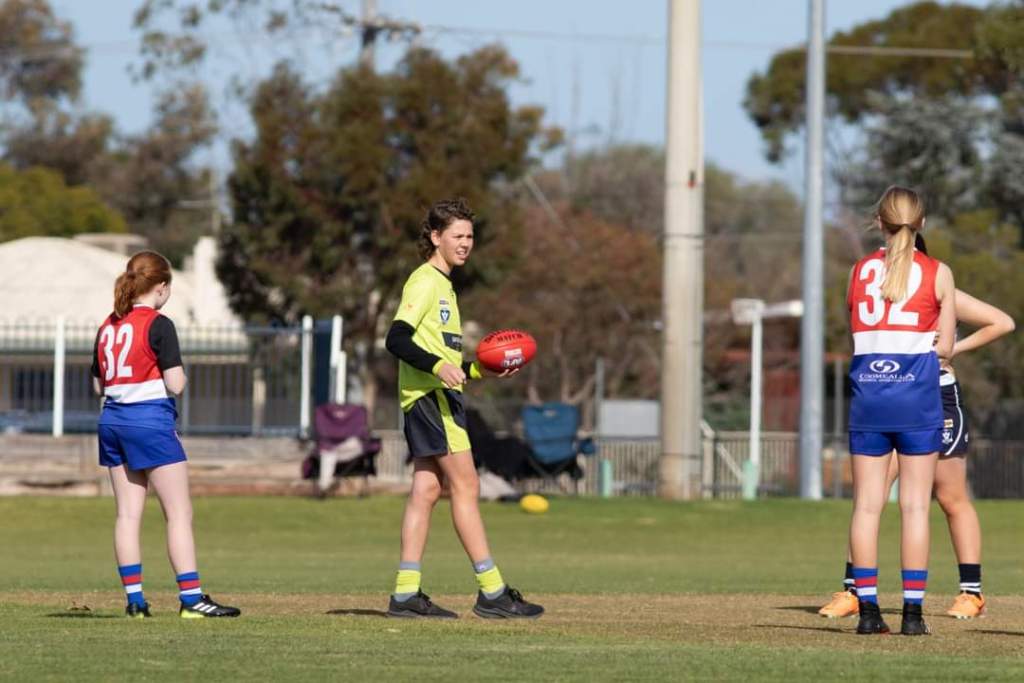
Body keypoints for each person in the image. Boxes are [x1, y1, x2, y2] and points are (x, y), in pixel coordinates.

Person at [820, 252, 1014, 621]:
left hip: (936, 396)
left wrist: (952, 349)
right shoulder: (875, 285)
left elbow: (1001, 322)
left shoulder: (938, 282)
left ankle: (971, 592)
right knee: (870, 498)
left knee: (951, 495)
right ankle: (854, 591)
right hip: (892, 395)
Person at [383, 198, 543, 619]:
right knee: (468, 487)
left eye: (470, 236)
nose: (466, 243)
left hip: (431, 396)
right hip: (431, 399)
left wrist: (478, 369)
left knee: (427, 490)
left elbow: (447, 361)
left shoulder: (447, 287)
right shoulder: (425, 281)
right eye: (458, 235)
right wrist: (438, 366)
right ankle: (492, 591)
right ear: (435, 237)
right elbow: (396, 340)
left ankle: (405, 593)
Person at [92, 251, 240, 619]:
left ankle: (135, 601)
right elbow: (175, 384)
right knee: (178, 513)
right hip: (149, 422)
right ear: (161, 287)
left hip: (112, 421)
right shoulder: (159, 324)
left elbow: (99, 384)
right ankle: (191, 600)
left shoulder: (108, 325)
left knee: (127, 515)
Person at [844, 186, 956, 636]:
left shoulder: (858, 270)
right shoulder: (938, 272)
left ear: (879, 223)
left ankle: (868, 612)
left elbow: (855, 322)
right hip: (917, 397)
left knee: (867, 508)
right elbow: (945, 347)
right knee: (914, 508)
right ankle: (913, 615)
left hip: (869, 395)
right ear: (922, 224)